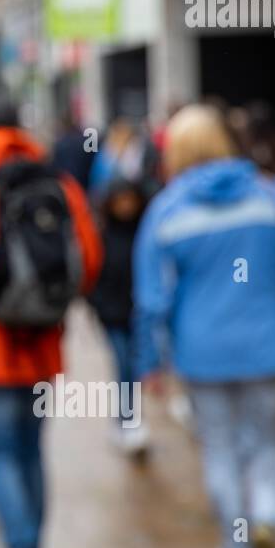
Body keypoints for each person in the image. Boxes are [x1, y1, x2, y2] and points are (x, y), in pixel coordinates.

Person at [134, 104, 275, 548]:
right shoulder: (267, 193)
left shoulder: (166, 210)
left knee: (219, 448)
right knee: (264, 441)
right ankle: (267, 516)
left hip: (202, 353)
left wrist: (149, 363)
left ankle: (237, 547)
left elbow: (151, 299)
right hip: (266, 345)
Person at [0, 96, 102, 548]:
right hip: (42, 347)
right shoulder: (57, 179)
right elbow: (89, 262)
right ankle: (32, 547)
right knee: (32, 450)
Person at [87, 176, 151, 458]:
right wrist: (98, 305)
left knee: (134, 368)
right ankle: (126, 420)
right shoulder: (100, 234)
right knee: (124, 363)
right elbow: (91, 276)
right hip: (111, 315)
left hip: (137, 314)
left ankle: (128, 419)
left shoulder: (146, 233)